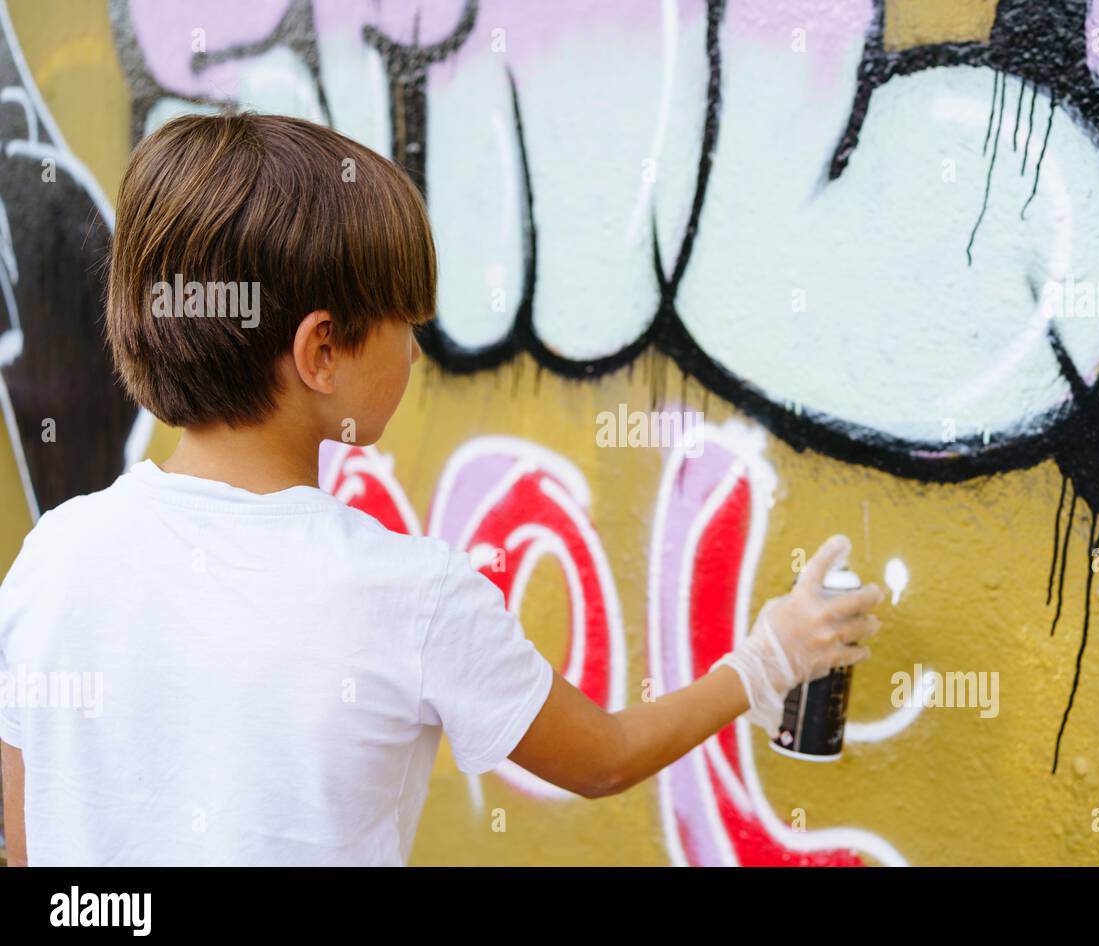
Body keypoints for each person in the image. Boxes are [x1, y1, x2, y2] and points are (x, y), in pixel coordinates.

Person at [0, 112, 883, 865]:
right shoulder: (409, 593)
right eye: (405, 324)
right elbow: (601, 758)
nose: (417, 353)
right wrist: (770, 658)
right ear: (321, 352)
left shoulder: (56, 555)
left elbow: (21, 830)